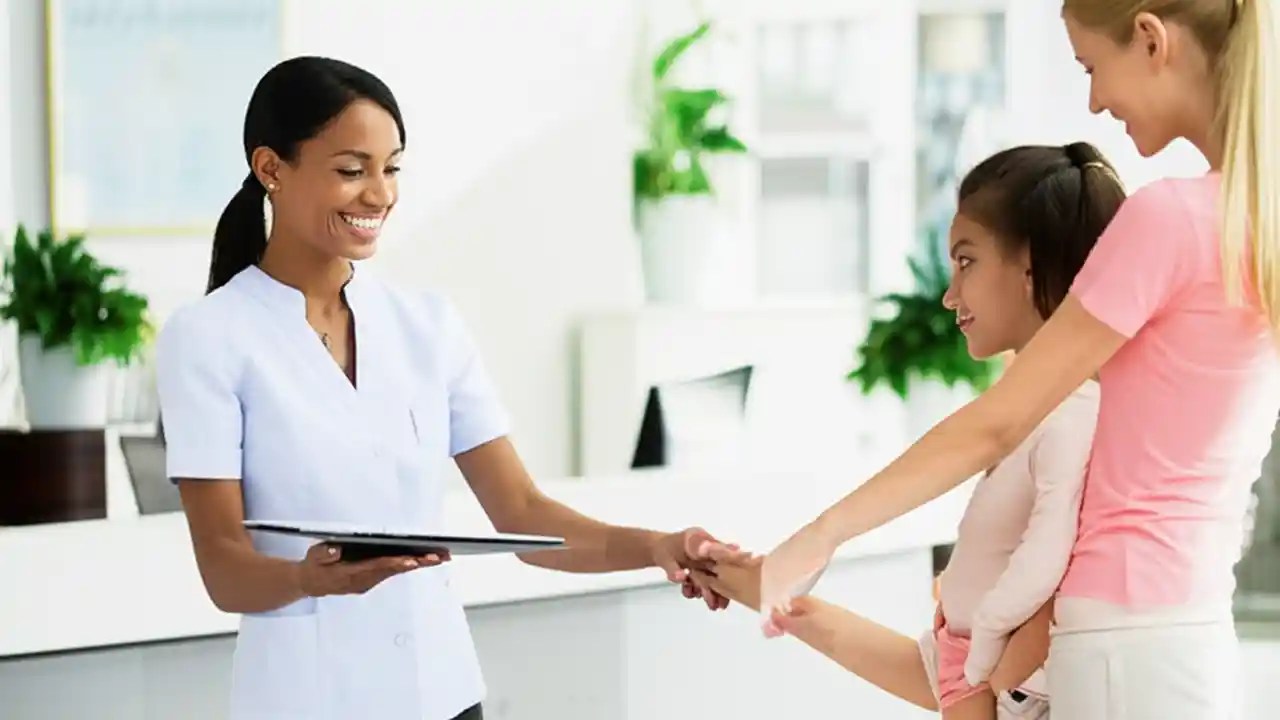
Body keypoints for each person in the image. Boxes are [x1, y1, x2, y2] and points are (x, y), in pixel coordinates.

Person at [155, 56, 731, 720]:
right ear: (271, 168)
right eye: (351, 170)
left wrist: (656, 547)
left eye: (391, 167)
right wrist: (307, 579)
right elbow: (223, 567)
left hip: (444, 696)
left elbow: (522, 514)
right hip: (308, 702)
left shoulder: (425, 325)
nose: (379, 194)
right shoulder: (208, 336)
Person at [751, 1, 1280, 717]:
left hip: (1123, 644)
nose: (1095, 99)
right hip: (1191, 635)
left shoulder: (1170, 220)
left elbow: (997, 422)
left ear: (1152, 39)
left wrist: (817, 537)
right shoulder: (1259, 227)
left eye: (1093, 67)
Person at [697, 142, 1126, 720]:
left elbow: (1001, 671)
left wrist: (984, 677)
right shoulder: (1042, 425)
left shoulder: (1075, 418)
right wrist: (770, 593)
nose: (950, 294)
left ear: (1029, 265)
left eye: (967, 260)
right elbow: (940, 677)